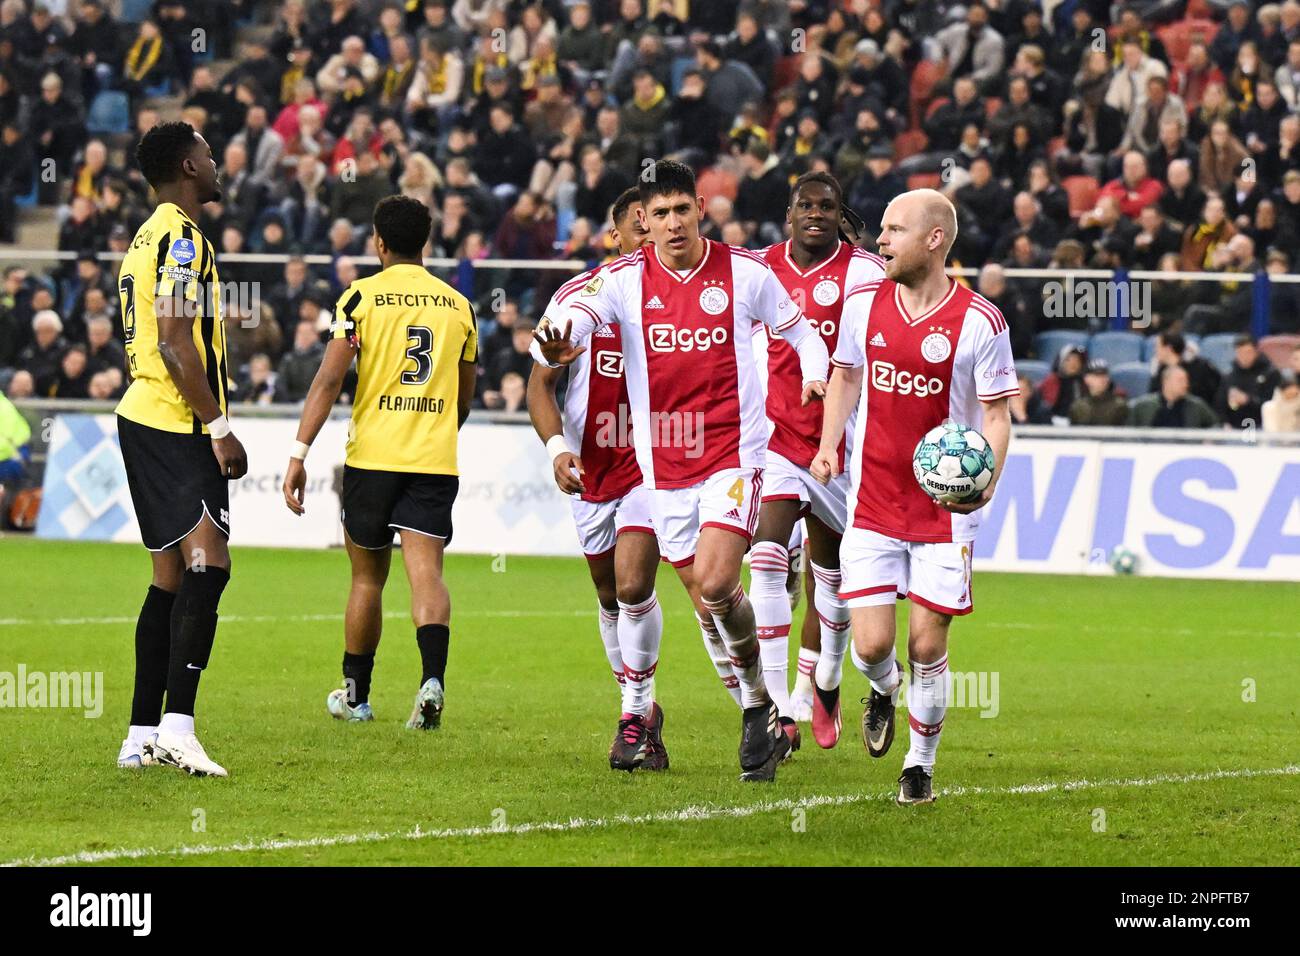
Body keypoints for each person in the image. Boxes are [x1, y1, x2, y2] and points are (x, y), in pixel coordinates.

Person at [532, 160, 829, 782]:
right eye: (660, 214)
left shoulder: (745, 273)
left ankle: (749, 704)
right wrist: (556, 341)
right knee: (666, 595)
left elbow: (801, 334)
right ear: (644, 219)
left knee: (716, 584)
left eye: (682, 211)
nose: (671, 224)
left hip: (732, 457)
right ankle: (757, 704)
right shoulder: (623, 281)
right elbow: (574, 319)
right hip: (661, 471)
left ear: (701, 209)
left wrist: (813, 372)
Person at [812, 189, 1016, 806]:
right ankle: (883, 689)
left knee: (927, 644)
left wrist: (983, 486)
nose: (880, 239)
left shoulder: (980, 321)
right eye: (882, 228)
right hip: (871, 500)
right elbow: (846, 375)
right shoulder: (863, 304)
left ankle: (919, 765)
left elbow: (996, 415)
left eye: (895, 229)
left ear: (934, 239)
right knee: (871, 647)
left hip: (943, 514)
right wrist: (829, 445)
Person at [283, 195, 476, 733]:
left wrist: (299, 453)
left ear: (379, 242)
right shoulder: (459, 306)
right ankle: (431, 681)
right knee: (427, 574)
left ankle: (356, 697)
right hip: (433, 459)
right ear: (426, 243)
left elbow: (328, 380)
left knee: (367, 579)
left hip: (371, 459)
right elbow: (463, 400)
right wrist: (434, 432)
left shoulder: (359, 298)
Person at [114, 122, 246, 777]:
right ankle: (178, 727)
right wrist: (218, 426)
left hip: (141, 414)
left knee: (169, 575)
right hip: (175, 420)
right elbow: (173, 339)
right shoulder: (183, 239)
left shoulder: (145, 235)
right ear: (189, 166)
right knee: (209, 564)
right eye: (209, 154)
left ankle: (140, 734)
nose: (216, 163)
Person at [526, 187, 669, 771]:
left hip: (653, 468)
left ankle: (634, 716)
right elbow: (540, 385)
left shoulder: (682, 303)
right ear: (616, 236)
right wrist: (558, 449)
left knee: (634, 585)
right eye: (639, 224)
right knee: (608, 594)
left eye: (658, 221)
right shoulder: (577, 300)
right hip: (591, 468)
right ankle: (643, 709)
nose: (651, 233)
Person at [752, 172, 885, 750]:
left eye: (826, 206)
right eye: (804, 205)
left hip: (845, 449)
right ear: (789, 215)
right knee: (766, 555)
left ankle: (827, 679)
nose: (815, 214)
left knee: (833, 576)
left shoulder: (867, 274)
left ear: (838, 215)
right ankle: (778, 708)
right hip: (778, 438)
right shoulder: (759, 268)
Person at [1128, 364, 1219, 427]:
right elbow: (1128, 430)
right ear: (1166, 382)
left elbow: (1216, 425)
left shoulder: (1196, 406)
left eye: (1186, 380)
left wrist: (1209, 439)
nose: (1186, 384)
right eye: (1180, 380)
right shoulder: (1143, 406)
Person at [1069, 359, 1129, 425]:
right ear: (1087, 379)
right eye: (1097, 375)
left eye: (1105, 375)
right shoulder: (1078, 407)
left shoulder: (1120, 406)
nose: (1103, 379)